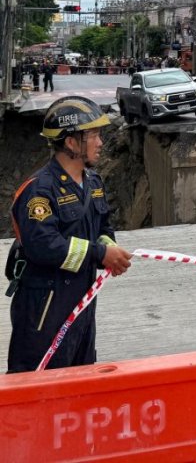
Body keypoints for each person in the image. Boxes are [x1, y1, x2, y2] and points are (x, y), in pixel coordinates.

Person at [7, 96, 132, 373]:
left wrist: (109, 251)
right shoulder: (39, 191)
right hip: (45, 308)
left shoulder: (93, 183)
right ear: (72, 143)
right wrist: (100, 253)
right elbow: (44, 246)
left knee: (81, 377)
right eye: (93, 136)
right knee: (38, 381)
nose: (101, 143)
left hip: (83, 303)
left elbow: (103, 227)